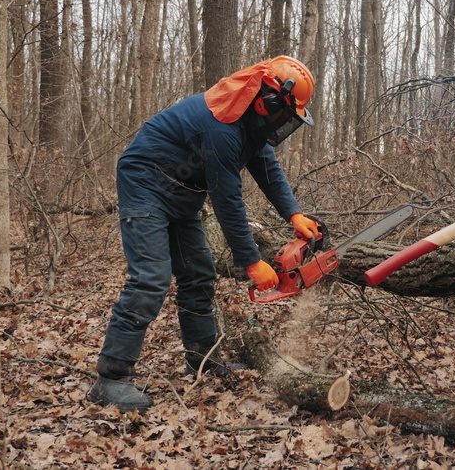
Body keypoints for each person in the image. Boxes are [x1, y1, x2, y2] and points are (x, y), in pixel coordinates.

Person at [88, 56, 322, 413]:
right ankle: (111, 378)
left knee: (199, 275)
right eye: (285, 114)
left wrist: (294, 213)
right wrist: (252, 262)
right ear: (269, 101)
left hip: (182, 193)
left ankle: (203, 359)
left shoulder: (246, 117)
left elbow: (267, 167)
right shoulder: (222, 128)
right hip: (145, 185)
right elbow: (228, 201)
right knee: (151, 277)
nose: (283, 123)